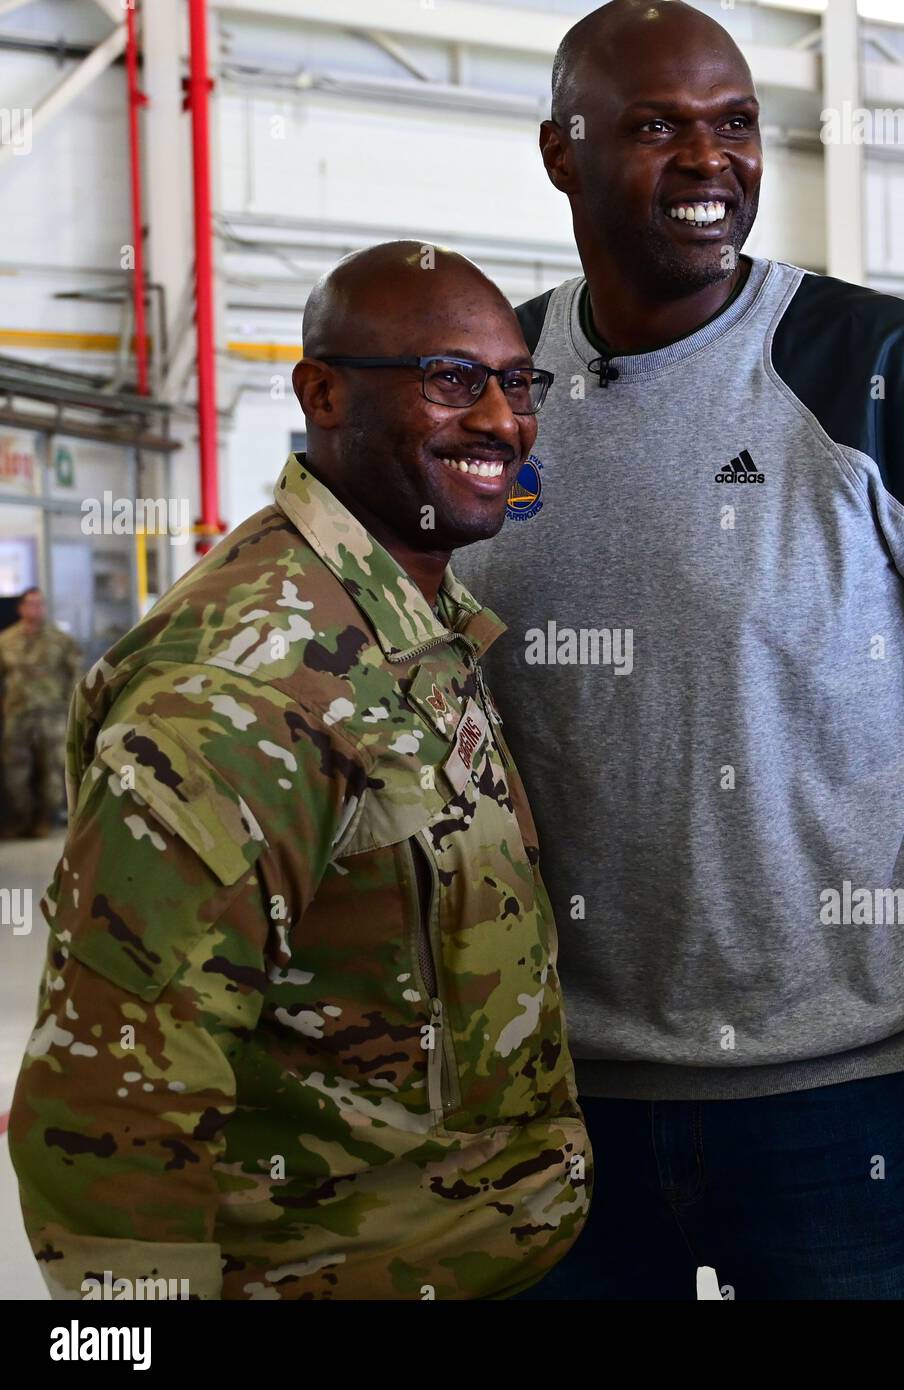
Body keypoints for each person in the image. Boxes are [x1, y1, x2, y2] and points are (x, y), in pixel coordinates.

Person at [455, 0, 904, 1299]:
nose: (710, 159)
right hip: (551, 1104)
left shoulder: (888, 373)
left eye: (736, 124)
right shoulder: (494, 393)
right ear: (561, 152)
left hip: (840, 1110)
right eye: (657, 126)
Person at [10, 242, 590, 1301]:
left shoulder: (414, 626)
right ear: (321, 393)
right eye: (452, 380)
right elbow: (109, 1104)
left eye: (518, 384)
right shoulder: (245, 687)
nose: (504, 421)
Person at [0, 586, 80, 837]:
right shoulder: (5, 640)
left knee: (52, 771)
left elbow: (76, 678)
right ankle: (22, 818)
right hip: (18, 714)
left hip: (52, 715)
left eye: (40, 604)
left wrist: (73, 712)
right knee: (15, 773)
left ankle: (46, 820)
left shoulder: (61, 640)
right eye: (30, 604)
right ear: (21, 608)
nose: (35, 609)